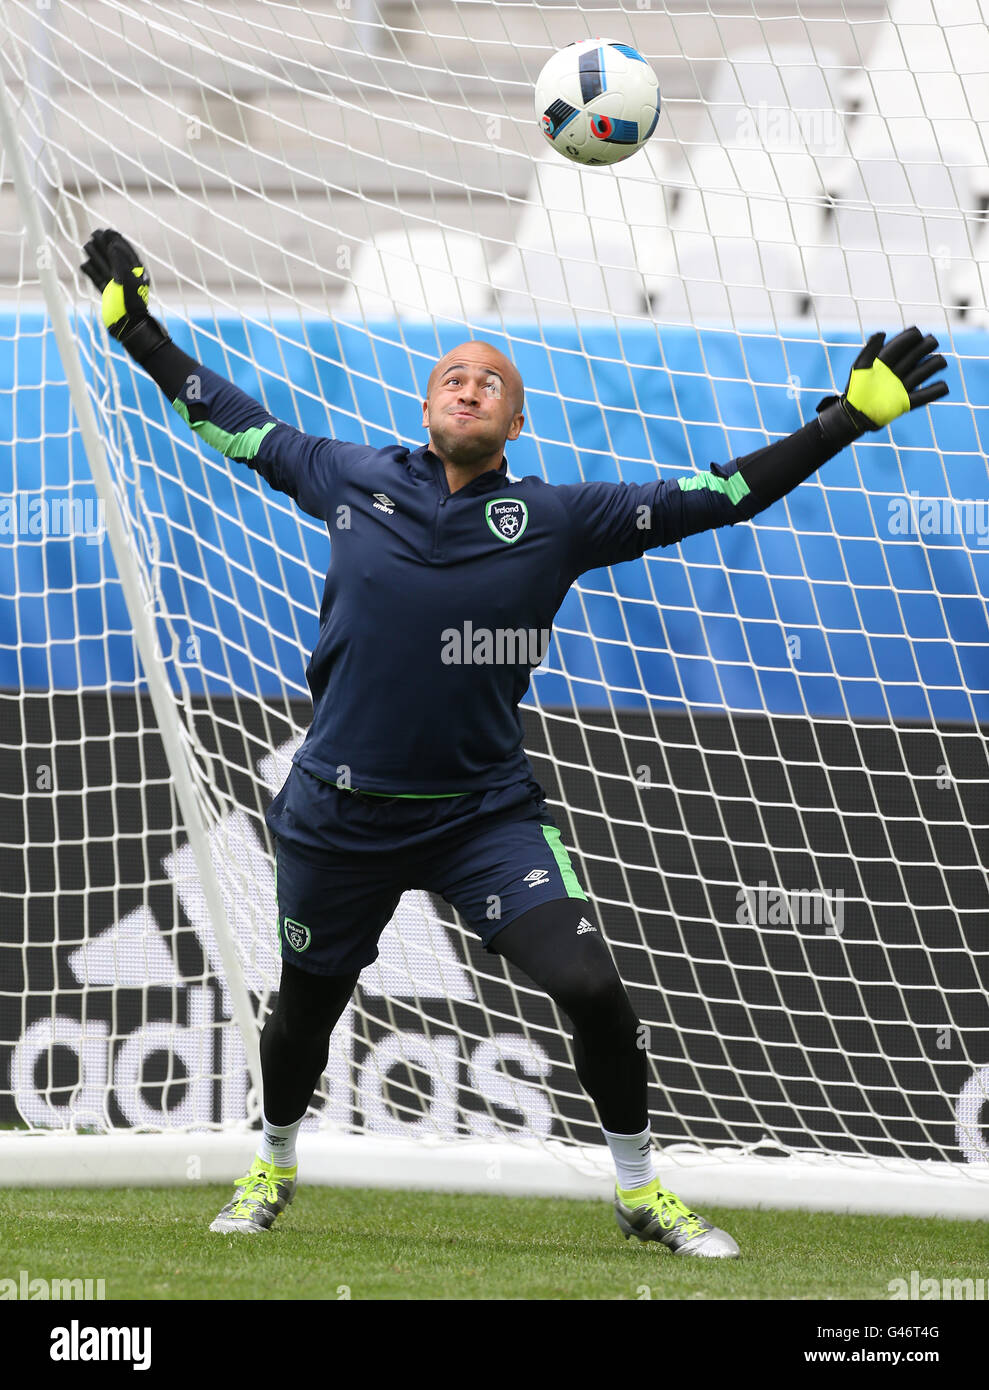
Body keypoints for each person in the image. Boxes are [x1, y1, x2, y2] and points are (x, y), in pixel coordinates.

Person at [80, 228, 948, 1259]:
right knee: (304, 1012)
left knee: (589, 988)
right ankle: (271, 1160)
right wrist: (140, 330)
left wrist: (845, 419)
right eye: (451, 376)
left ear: (513, 420)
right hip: (336, 815)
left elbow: (720, 496)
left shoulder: (557, 517)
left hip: (481, 815)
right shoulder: (344, 475)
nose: (467, 385)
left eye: (488, 381)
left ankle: (636, 1189)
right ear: (425, 406)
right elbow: (224, 417)